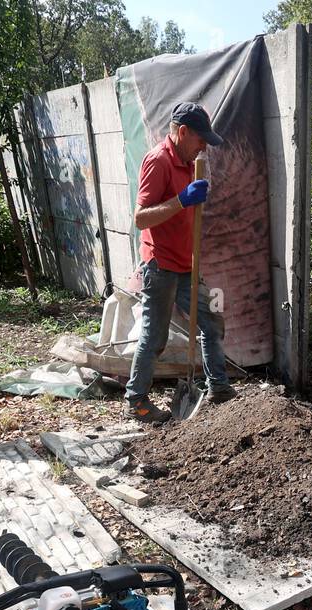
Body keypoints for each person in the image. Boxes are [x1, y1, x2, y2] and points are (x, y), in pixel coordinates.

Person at [125, 102, 235, 423]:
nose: (204, 147)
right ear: (182, 132)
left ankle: (218, 386)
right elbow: (141, 218)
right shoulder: (158, 161)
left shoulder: (190, 162)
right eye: (200, 140)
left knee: (212, 319)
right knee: (154, 337)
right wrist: (181, 199)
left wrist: (193, 196)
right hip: (160, 267)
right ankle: (136, 400)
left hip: (187, 265)